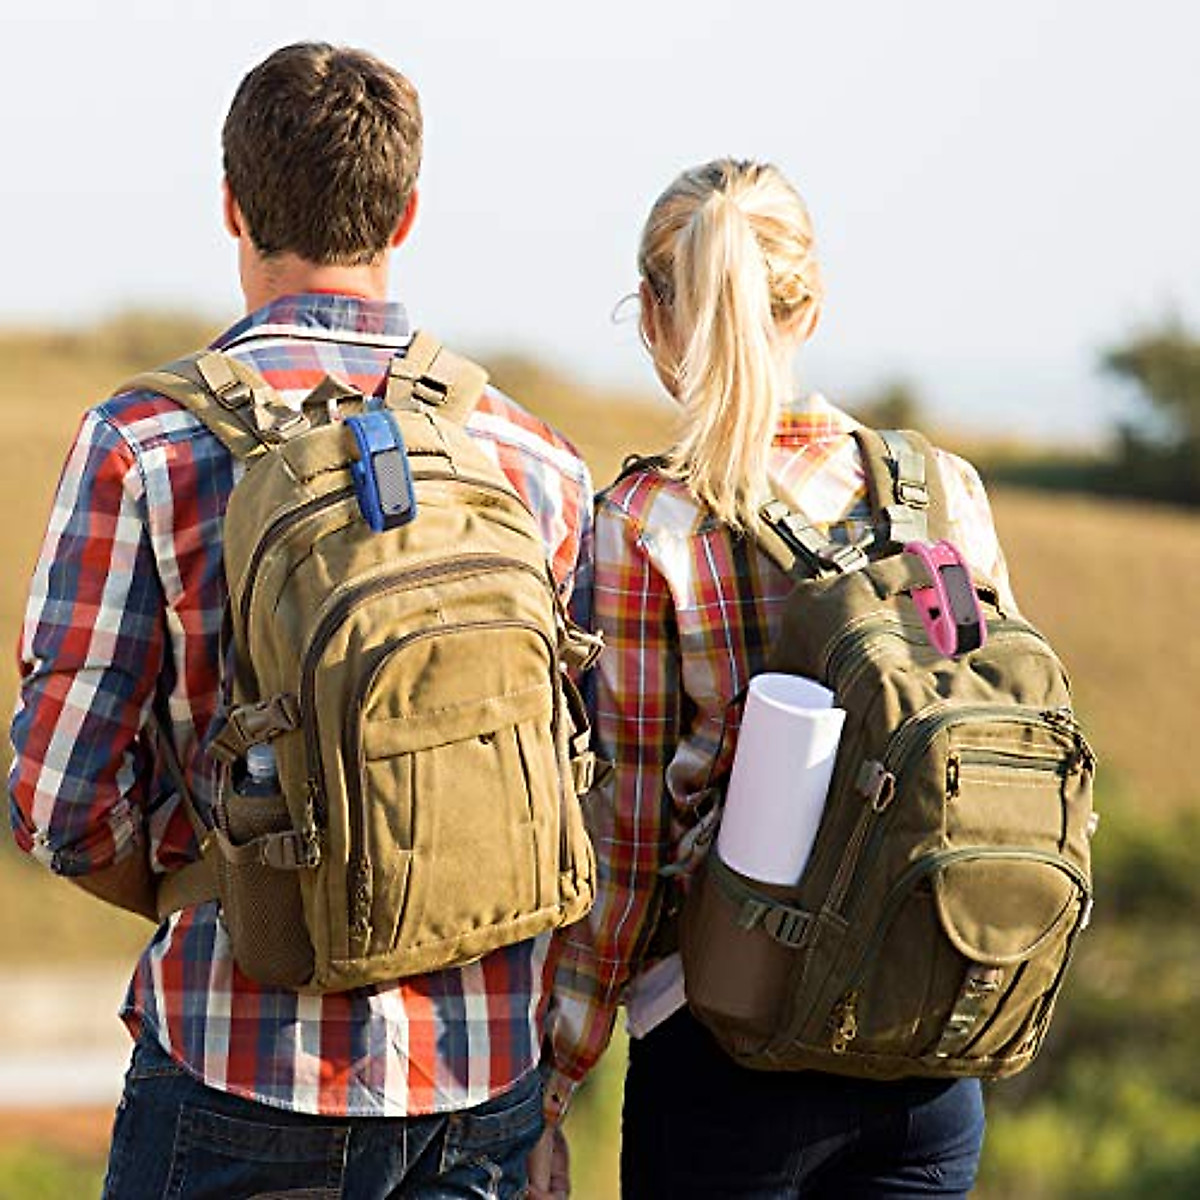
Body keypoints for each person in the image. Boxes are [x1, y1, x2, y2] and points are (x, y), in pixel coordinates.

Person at [9, 42, 592, 1200]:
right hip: (478, 1091)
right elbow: (579, 790)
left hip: (238, 1068)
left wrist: (210, 886)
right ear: (407, 213)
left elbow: (58, 801)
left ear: (230, 201)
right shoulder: (531, 461)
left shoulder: (143, 443)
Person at [532, 158, 1016, 1198]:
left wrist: (555, 1078)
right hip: (928, 1053)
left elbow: (623, 844)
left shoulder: (648, 527)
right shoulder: (945, 493)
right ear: (813, 299)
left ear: (656, 319)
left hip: (729, 1055)